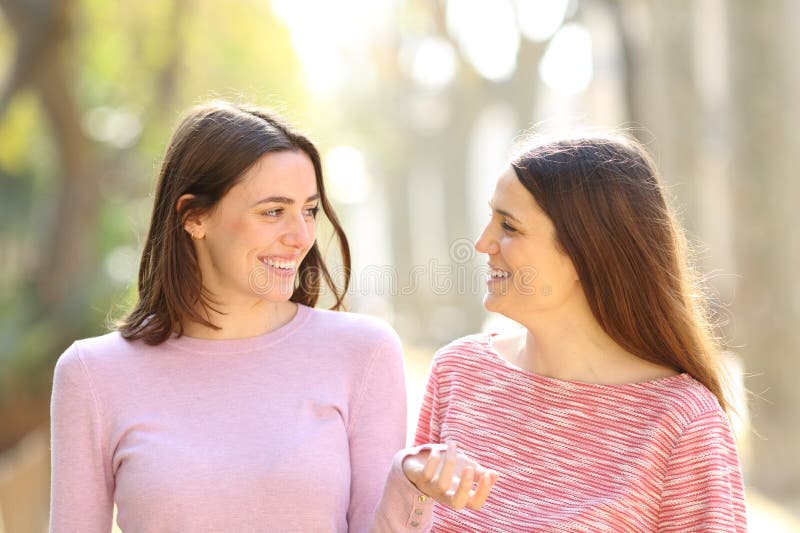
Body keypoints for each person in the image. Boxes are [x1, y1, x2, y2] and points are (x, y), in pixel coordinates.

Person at [49, 100, 493, 533]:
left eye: (309, 211)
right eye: (273, 212)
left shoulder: (363, 352)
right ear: (193, 216)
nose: (300, 236)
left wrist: (410, 487)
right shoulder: (93, 375)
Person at [410, 135, 747, 531]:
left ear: (585, 253)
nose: (483, 243)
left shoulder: (681, 423)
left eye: (509, 226)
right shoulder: (458, 373)